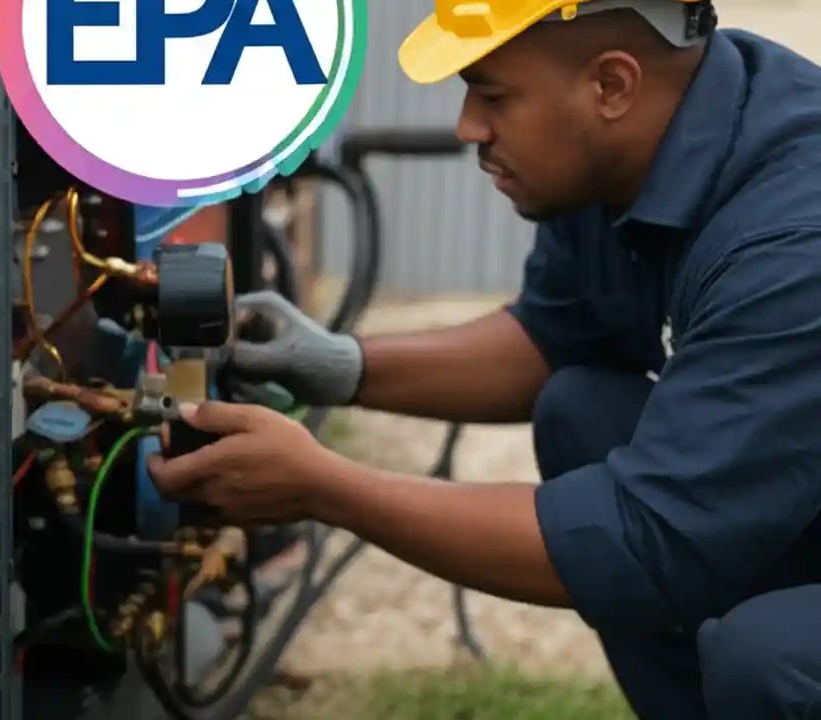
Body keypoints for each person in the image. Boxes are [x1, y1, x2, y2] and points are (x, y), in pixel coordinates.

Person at [146, 1, 821, 718]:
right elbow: (556, 336)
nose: (468, 127)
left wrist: (325, 488)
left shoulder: (791, 238)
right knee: (581, 411)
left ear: (611, 85)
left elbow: (642, 539)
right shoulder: (637, 147)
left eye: (492, 95)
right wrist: (338, 365)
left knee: (772, 659)